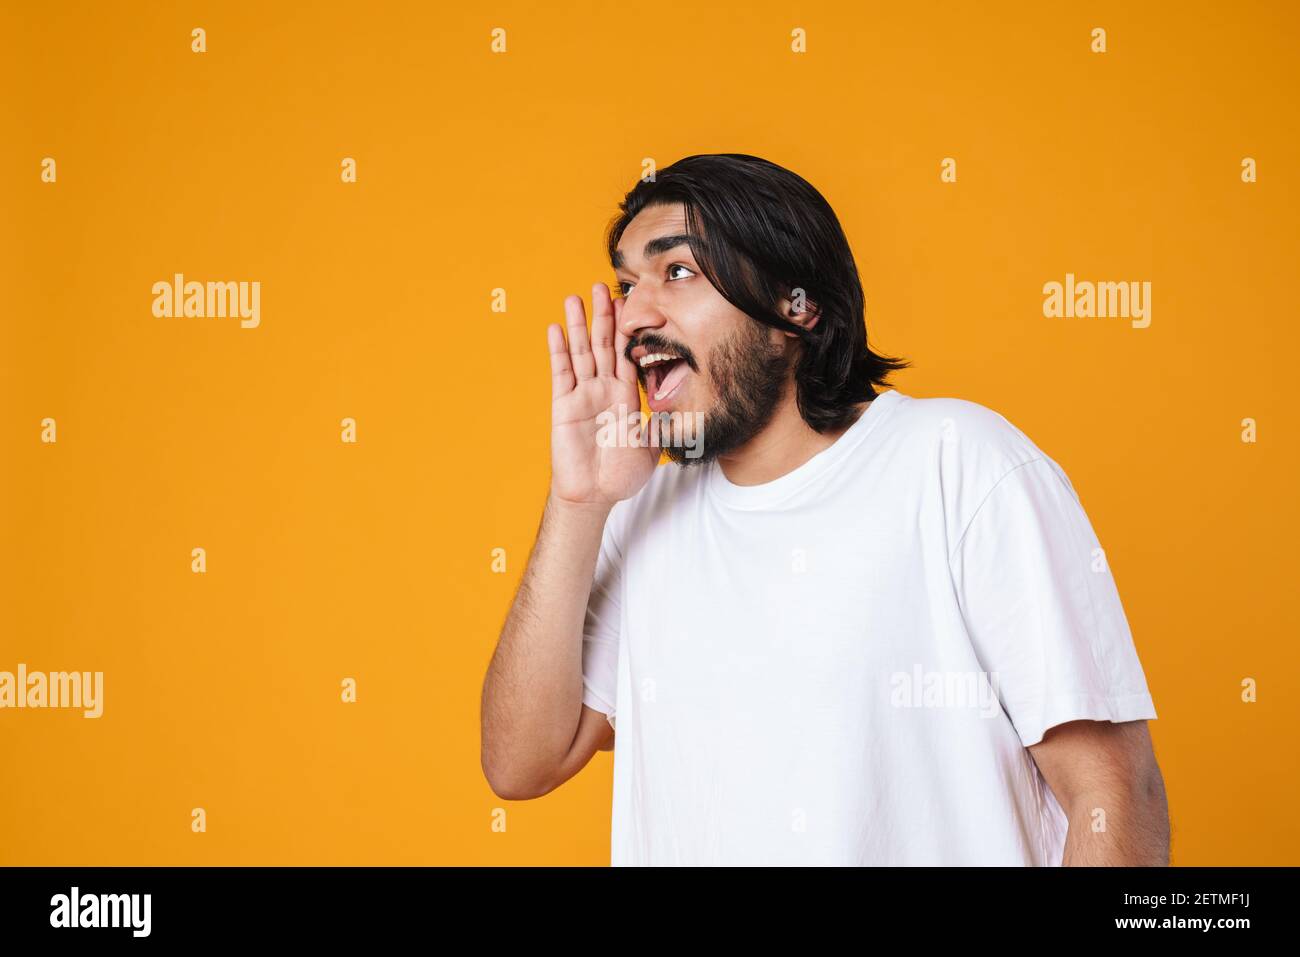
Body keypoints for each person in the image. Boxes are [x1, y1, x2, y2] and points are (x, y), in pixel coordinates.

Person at [480, 153, 1169, 866]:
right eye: (626, 283)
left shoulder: (958, 464)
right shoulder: (642, 512)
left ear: (795, 304)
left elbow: (1114, 794)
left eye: (676, 271)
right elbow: (520, 762)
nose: (633, 315)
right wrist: (579, 502)